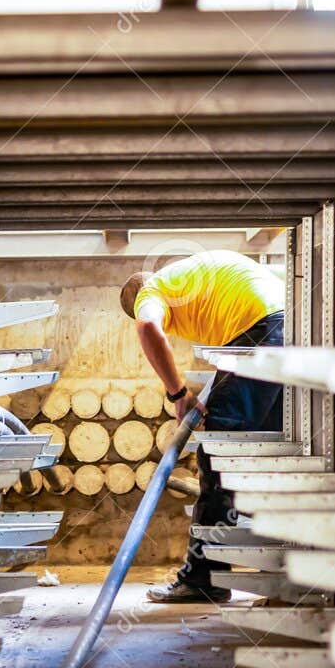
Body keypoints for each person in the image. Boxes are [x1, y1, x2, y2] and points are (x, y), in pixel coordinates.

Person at [120, 249, 286, 603]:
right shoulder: (193, 279)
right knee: (272, 452)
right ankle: (281, 574)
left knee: (218, 453)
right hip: (286, 327)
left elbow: (147, 326)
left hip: (262, 330)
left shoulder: (152, 292)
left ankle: (203, 580)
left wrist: (178, 392)